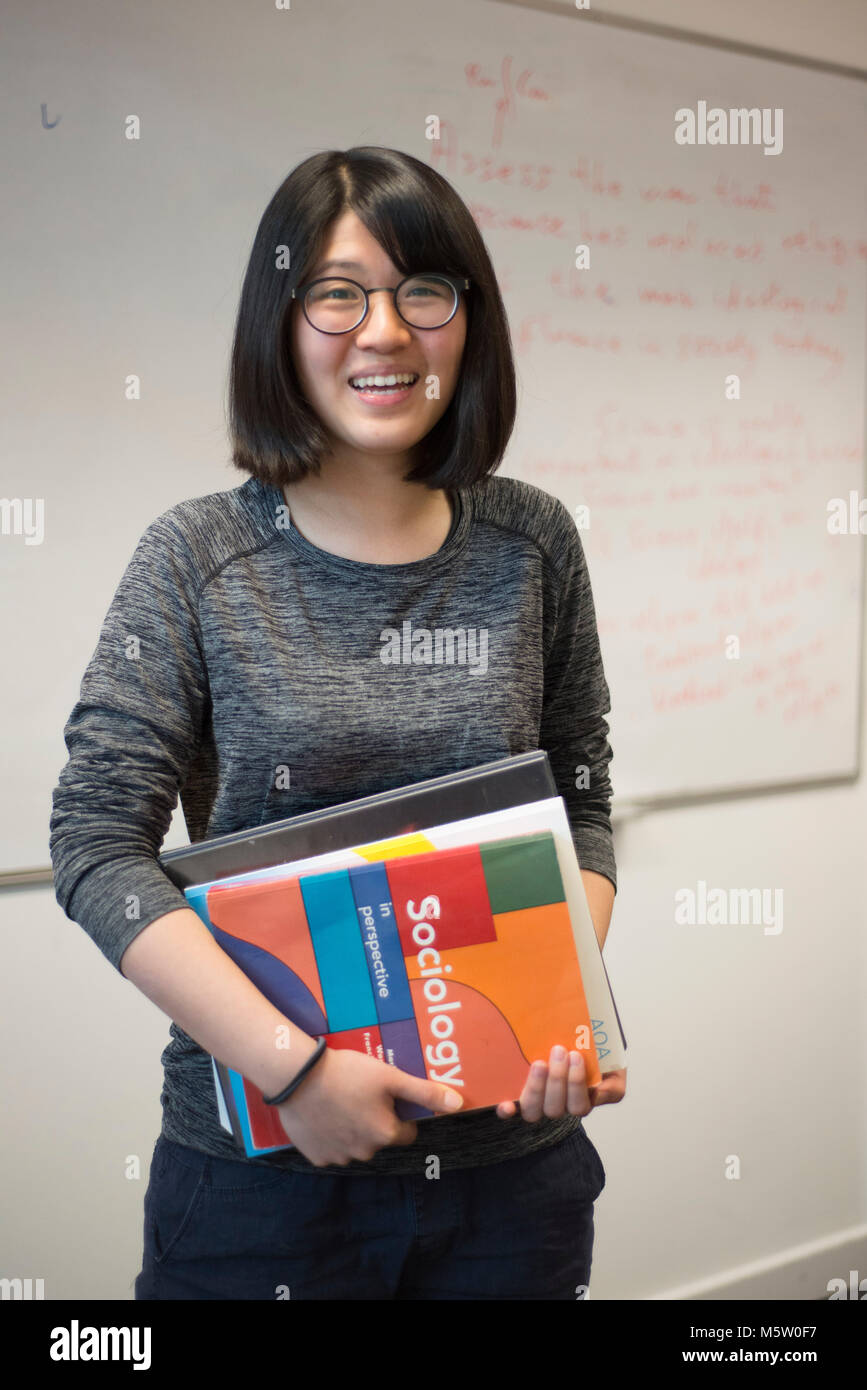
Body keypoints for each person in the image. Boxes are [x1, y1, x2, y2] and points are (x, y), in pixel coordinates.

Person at [49, 146, 625, 1301]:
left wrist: (557, 1014)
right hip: (266, 1186)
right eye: (337, 292)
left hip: (510, 1182)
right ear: (283, 318)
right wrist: (295, 1070)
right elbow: (97, 846)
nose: (385, 332)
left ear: (469, 319)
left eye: (425, 290)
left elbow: (584, 804)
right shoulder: (197, 556)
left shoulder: (532, 541)